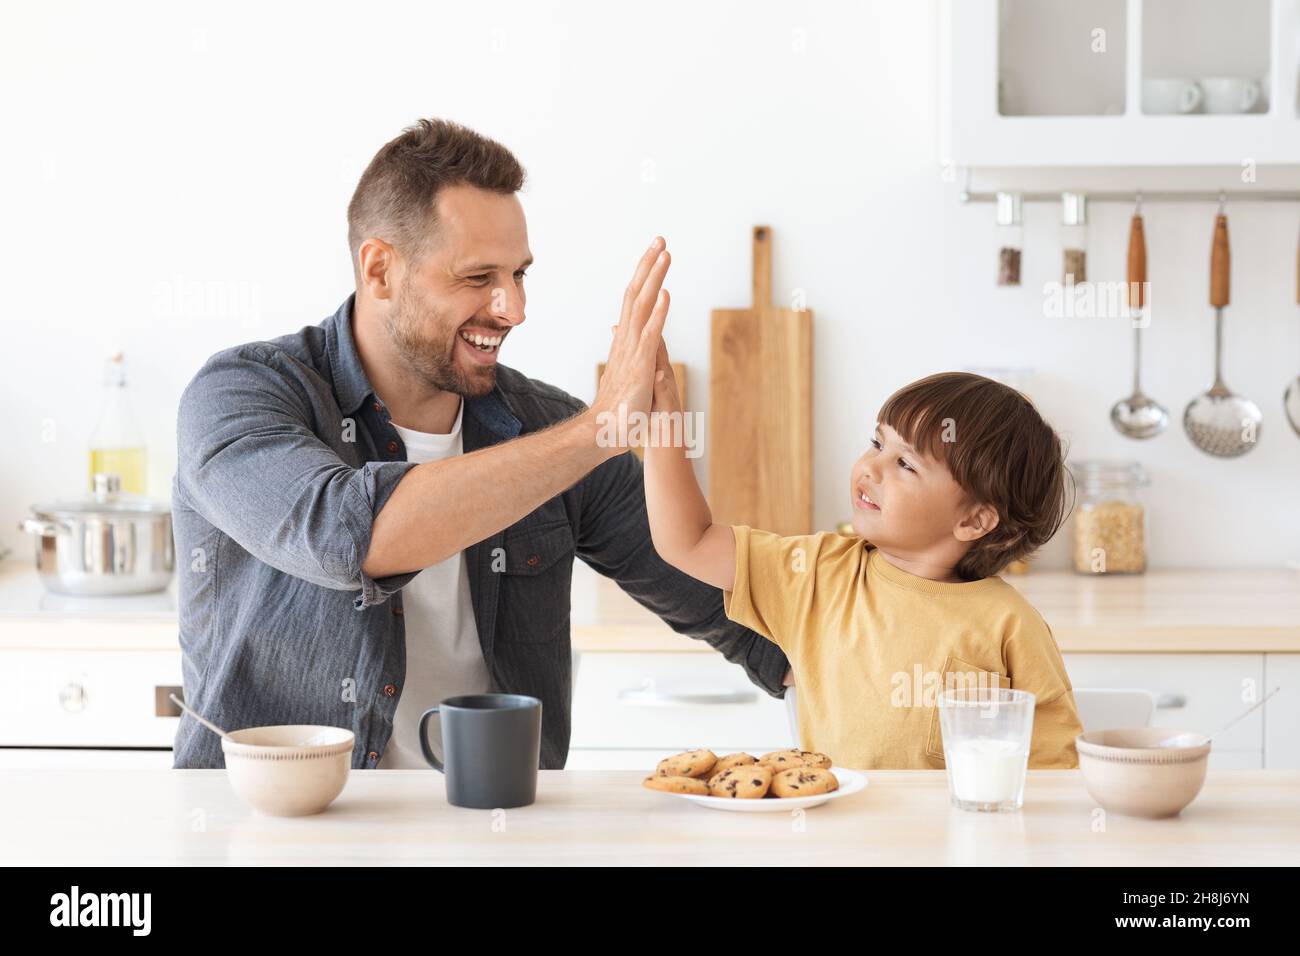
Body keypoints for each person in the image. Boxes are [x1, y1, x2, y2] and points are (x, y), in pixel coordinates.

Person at [171, 118, 790, 770]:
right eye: (478, 278)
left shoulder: (547, 427)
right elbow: (346, 536)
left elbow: (730, 610)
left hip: (491, 828)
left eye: (520, 273)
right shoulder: (240, 395)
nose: (514, 307)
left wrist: (872, 624)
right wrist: (600, 430)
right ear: (380, 271)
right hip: (276, 831)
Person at [644, 366, 1084, 769]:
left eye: (905, 464)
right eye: (877, 443)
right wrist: (663, 419)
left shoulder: (1011, 625)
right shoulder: (817, 572)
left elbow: (1055, 774)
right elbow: (690, 541)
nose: (870, 468)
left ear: (973, 520)